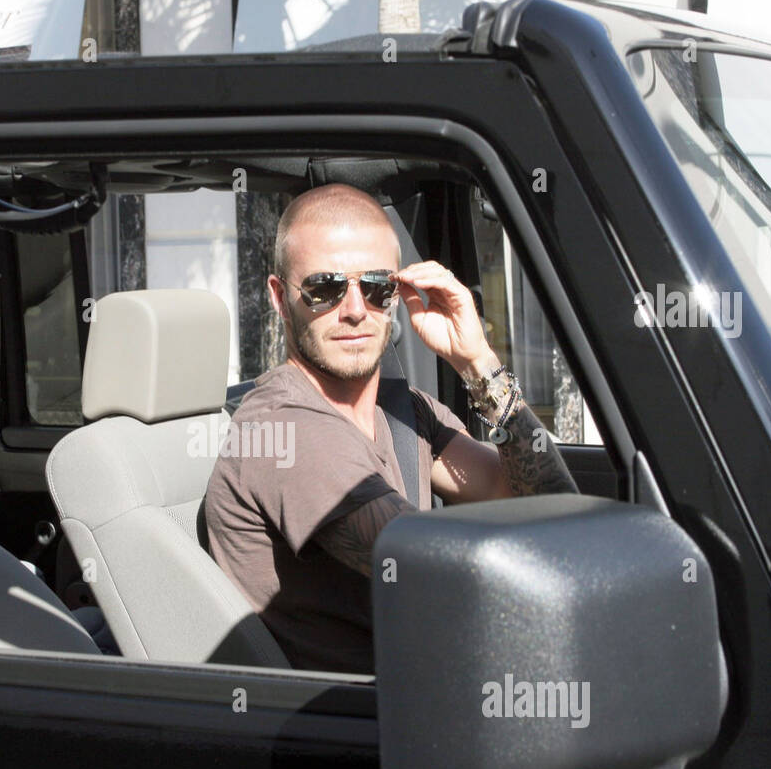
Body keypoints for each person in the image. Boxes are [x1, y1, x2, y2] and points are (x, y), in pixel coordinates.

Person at [203, 183, 577, 674]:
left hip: (422, 701)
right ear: (279, 297)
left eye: (377, 286)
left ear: (397, 296)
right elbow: (429, 571)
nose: (356, 309)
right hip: (357, 730)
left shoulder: (404, 413)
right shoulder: (284, 431)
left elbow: (551, 504)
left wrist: (477, 363)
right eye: (324, 287)